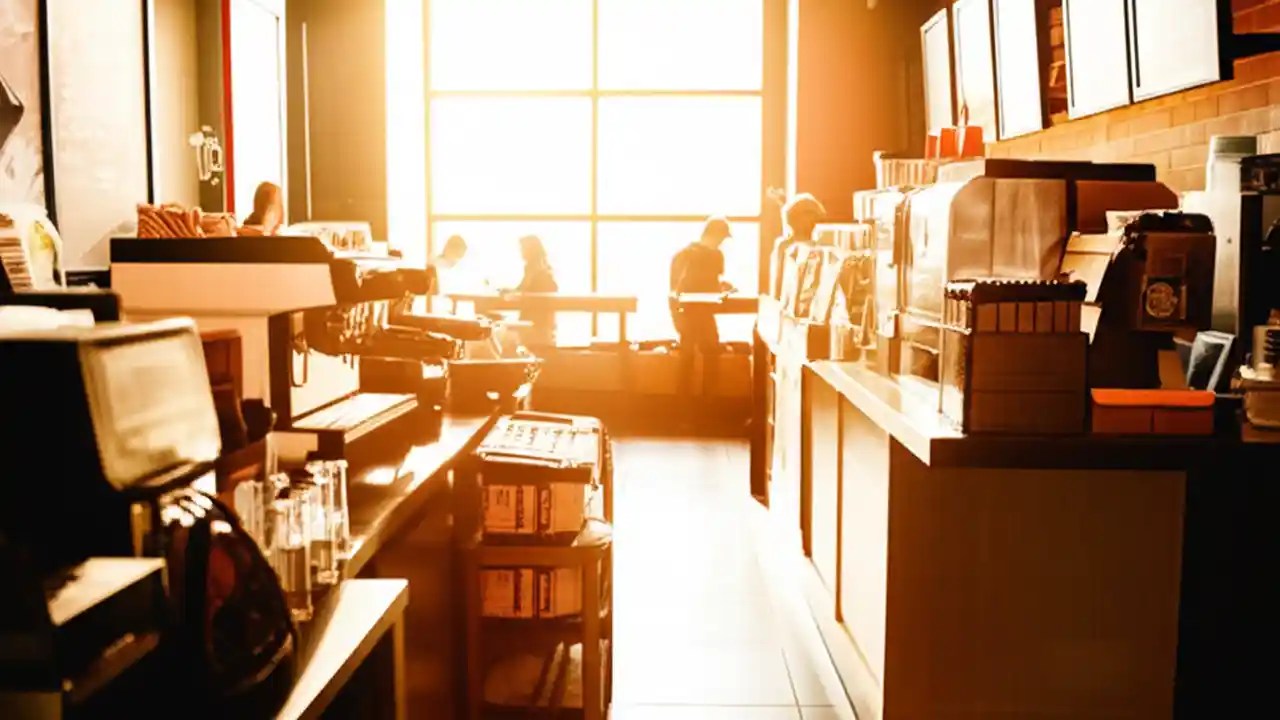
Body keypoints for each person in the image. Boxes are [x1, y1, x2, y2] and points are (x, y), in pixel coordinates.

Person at [670, 216, 735, 399]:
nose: (721, 243)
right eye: (721, 238)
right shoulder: (690, 256)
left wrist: (722, 286)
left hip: (697, 312)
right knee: (695, 357)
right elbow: (678, 289)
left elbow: (708, 283)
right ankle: (699, 402)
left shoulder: (689, 255)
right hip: (693, 312)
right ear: (714, 235)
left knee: (701, 355)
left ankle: (699, 403)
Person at [769, 192, 826, 297]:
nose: (814, 222)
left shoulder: (820, 246)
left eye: (816, 219)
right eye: (810, 217)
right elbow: (778, 283)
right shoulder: (784, 246)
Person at [509, 234, 558, 351]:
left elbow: (525, 289)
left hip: (535, 322)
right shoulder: (540, 268)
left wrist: (512, 293)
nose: (521, 252)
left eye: (523, 248)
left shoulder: (536, 270)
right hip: (539, 322)